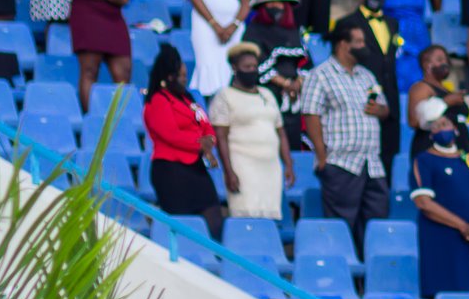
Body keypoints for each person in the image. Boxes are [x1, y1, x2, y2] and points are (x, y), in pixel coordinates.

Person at [300, 22, 391, 251]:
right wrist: (322, 156)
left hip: (372, 164)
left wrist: (381, 110)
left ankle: (368, 279)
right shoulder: (320, 75)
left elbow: (384, 108)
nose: (364, 46)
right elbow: (311, 115)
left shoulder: (366, 76)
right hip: (341, 162)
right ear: (343, 44)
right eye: (358, 42)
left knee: (375, 225)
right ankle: (341, 276)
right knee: (341, 227)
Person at [141, 45, 224, 239]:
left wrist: (209, 140)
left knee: (214, 221)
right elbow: (170, 134)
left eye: (185, 76)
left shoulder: (189, 99)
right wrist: (200, 143)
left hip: (195, 168)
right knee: (183, 227)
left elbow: (205, 123)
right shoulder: (157, 100)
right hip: (171, 171)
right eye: (180, 76)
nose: (184, 80)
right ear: (168, 76)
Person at [410, 110, 469, 299]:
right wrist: (463, 226)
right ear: (430, 134)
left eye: (444, 124)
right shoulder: (424, 160)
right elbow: (423, 202)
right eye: (435, 126)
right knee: (439, 289)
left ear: (455, 130)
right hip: (439, 235)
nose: (440, 129)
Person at [211, 42, 292, 220]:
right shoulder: (224, 95)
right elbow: (221, 137)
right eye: (247, 67)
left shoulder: (267, 95)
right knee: (245, 216)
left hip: (270, 167)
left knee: (268, 217)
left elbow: (281, 132)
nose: (252, 70)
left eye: (255, 66)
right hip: (242, 166)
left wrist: (288, 164)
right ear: (234, 68)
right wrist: (229, 171)